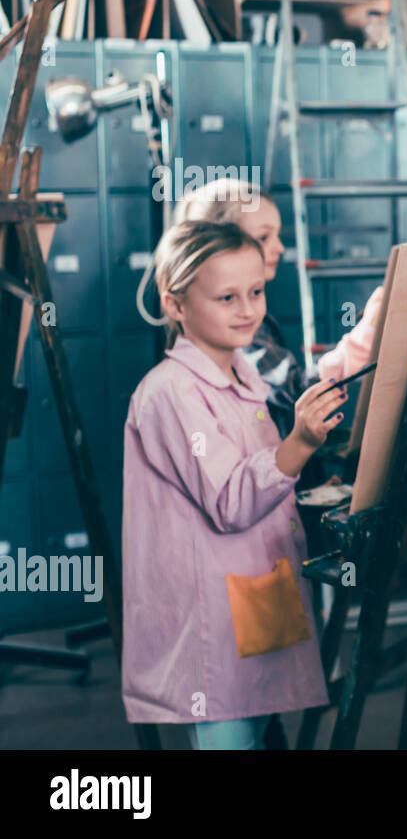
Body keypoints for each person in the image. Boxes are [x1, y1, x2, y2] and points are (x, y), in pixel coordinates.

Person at [121, 220, 345, 748]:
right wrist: (301, 443)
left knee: (261, 728)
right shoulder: (171, 392)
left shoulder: (242, 375)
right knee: (229, 732)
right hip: (213, 622)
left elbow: (261, 479)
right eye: (226, 297)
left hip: (257, 601)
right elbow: (229, 500)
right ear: (175, 305)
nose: (248, 309)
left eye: (256, 292)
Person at [171, 178, 381, 440]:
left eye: (277, 235)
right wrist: (363, 341)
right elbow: (294, 393)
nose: (280, 248)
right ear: (221, 243)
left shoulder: (247, 317)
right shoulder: (233, 326)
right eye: (263, 237)